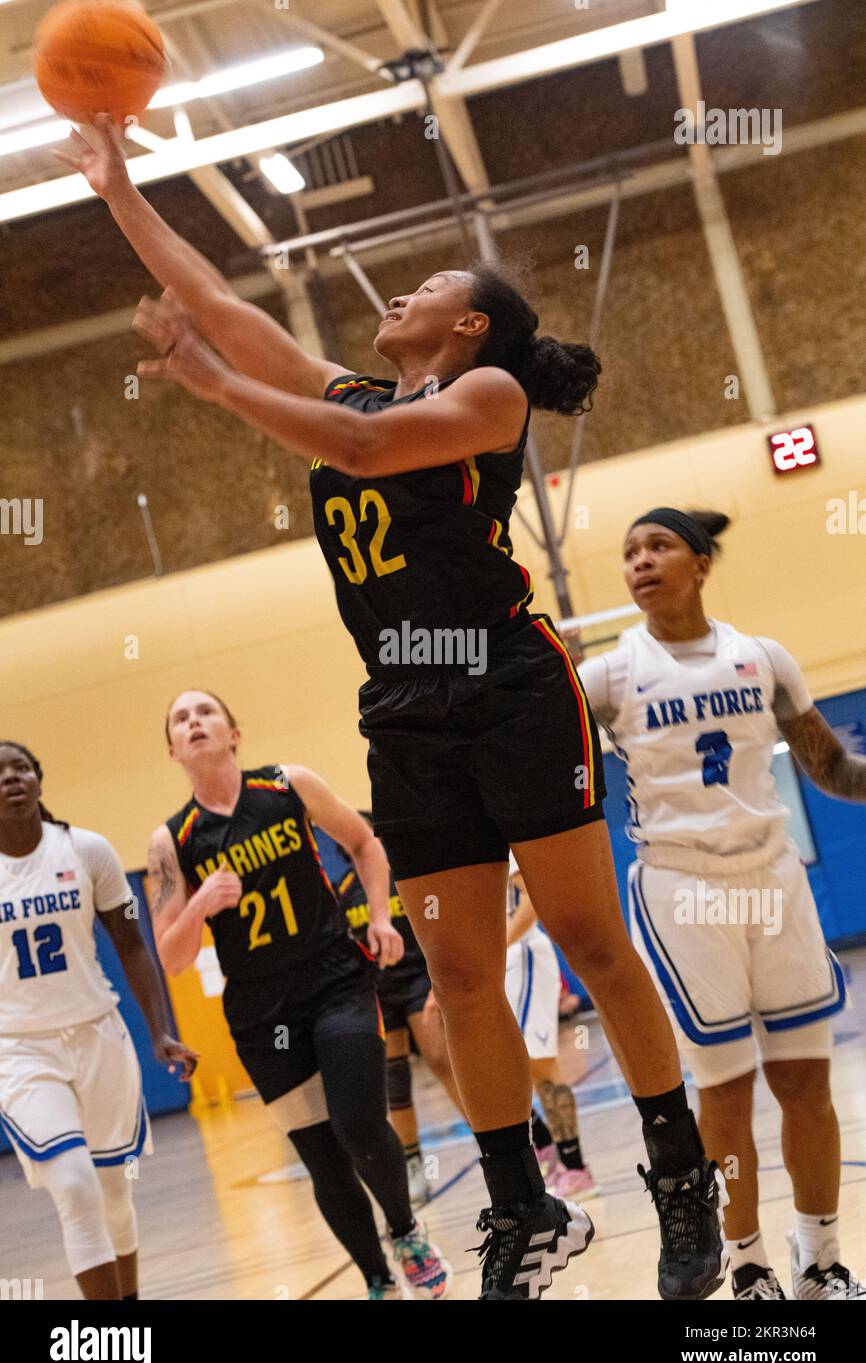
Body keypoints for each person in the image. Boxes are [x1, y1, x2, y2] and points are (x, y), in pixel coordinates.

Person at [61, 115, 727, 1301]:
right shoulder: (368, 387)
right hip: (404, 714)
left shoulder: (487, 400)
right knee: (458, 976)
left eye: (424, 284)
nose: (398, 293)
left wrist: (217, 389)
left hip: (512, 688)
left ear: (466, 323)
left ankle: (681, 1180)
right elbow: (222, 301)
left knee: (585, 939)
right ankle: (520, 1213)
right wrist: (121, 188)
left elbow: (362, 451)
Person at [577, 507, 866, 1300]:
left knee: (807, 1080)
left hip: (774, 876)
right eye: (630, 551)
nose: (640, 561)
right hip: (682, 886)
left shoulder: (762, 659)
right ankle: (747, 1265)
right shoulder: (604, 679)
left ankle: (822, 1258)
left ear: (700, 563)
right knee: (725, 1089)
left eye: (659, 546)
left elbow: (833, 772)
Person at [149, 689, 450, 1300]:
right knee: (321, 1157)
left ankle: (406, 1230)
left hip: (334, 978)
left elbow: (365, 842)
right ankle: (375, 1278)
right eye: (181, 719)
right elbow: (172, 957)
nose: (194, 722)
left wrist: (381, 918)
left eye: (205, 712)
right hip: (261, 1012)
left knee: (359, 1123)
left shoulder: (289, 785)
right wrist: (201, 905)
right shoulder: (172, 841)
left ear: (234, 733)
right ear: (173, 750)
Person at [0, 741, 196, 1300]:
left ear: (38, 779)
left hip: (97, 1036)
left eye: (21, 768)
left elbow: (132, 946)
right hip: (19, 1051)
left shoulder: (88, 850)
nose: (11, 778)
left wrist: (158, 1031)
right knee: (75, 1186)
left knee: (114, 1193)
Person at [331, 821, 463, 1208]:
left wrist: (440, 979)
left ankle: (494, 1140)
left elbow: (436, 923)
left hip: (419, 980)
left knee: (442, 1061)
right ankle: (413, 1165)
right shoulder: (343, 889)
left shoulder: (401, 872)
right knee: (395, 1082)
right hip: (378, 989)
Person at [506, 856, 599, 1201]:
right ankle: (543, 1145)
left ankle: (576, 1168)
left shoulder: (498, 832)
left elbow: (532, 899)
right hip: (499, 965)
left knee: (540, 1063)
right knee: (504, 1066)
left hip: (522, 954)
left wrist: (498, 946)